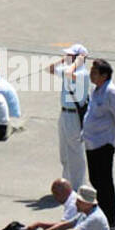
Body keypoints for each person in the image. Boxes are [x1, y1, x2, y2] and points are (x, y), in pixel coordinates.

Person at [82, 58, 115, 230]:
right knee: (95, 179)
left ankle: (110, 219)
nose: (91, 75)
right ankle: (101, 213)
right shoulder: (95, 90)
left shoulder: (111, 92)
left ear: (104, 75)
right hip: (91, 141)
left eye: (94, 72)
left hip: (104, 142)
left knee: (105, 181)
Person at [49, 44, 90, 186]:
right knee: (65, 152)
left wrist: (78, 62)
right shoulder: (69, 69)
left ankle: (78, 186)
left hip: (74, 116)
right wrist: (63, 60)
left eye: (71, 55)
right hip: (64, 114)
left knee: (75, 153)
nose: (68, 57)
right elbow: (51, 69)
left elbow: (68, 75)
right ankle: (67, 183)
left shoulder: (82, 73)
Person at [38, 184, 110, 230]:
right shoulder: (85, 212)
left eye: (79, 202)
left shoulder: (95, 218)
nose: (76, 203)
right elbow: (67, 224)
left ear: (88, 204)